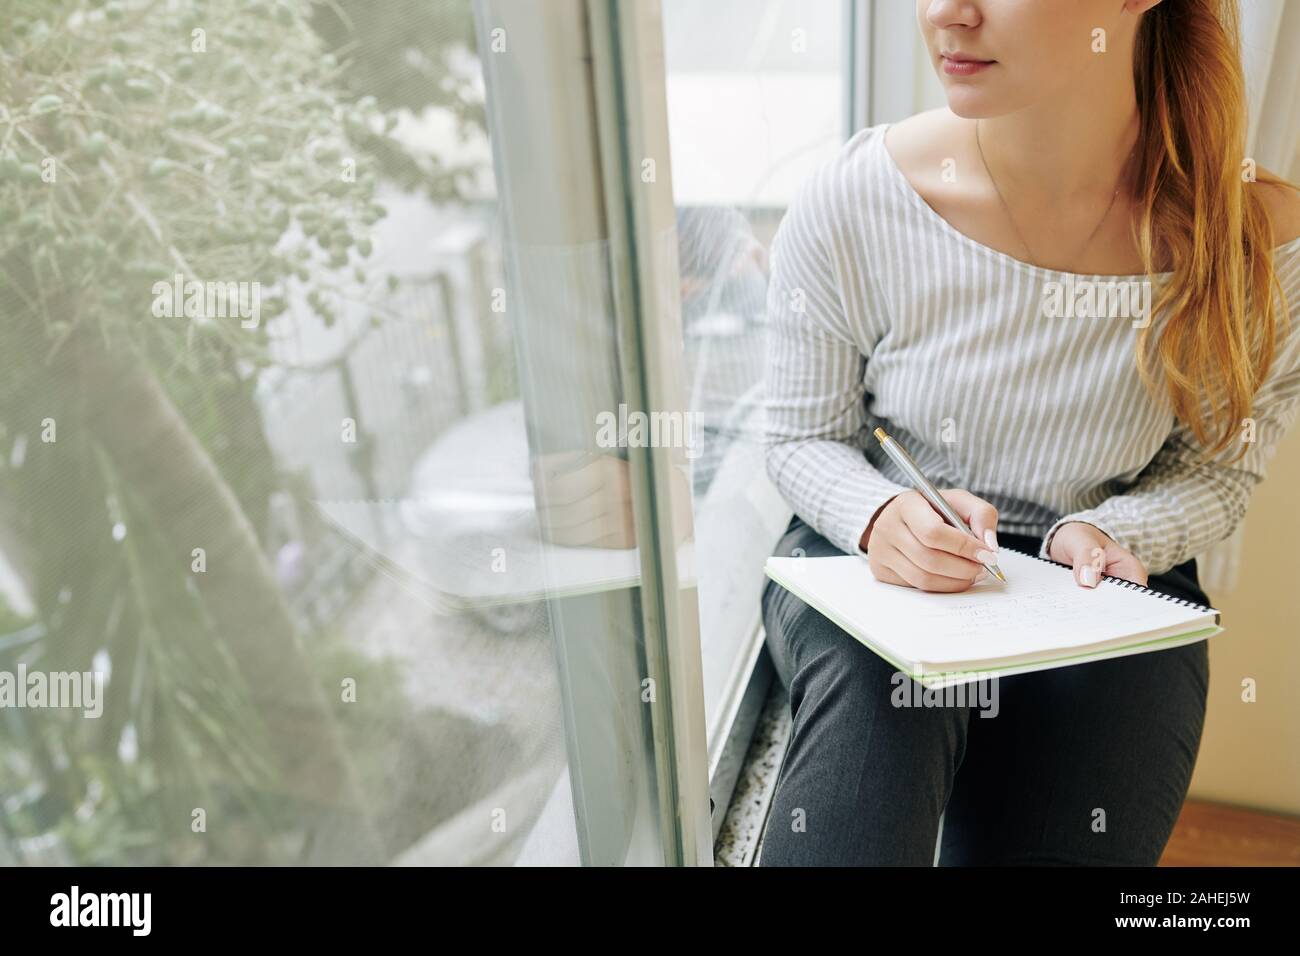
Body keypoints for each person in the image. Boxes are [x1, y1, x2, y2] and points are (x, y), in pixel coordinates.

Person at [760, 0, 1300, 865]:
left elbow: (1217, 473)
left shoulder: (1258, 238)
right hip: (873, 554)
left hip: (1104, 576)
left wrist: (1107, 533)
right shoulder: (858, 198)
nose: (943, 12)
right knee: (877, 719)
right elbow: (797, 437)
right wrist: (878, 517)